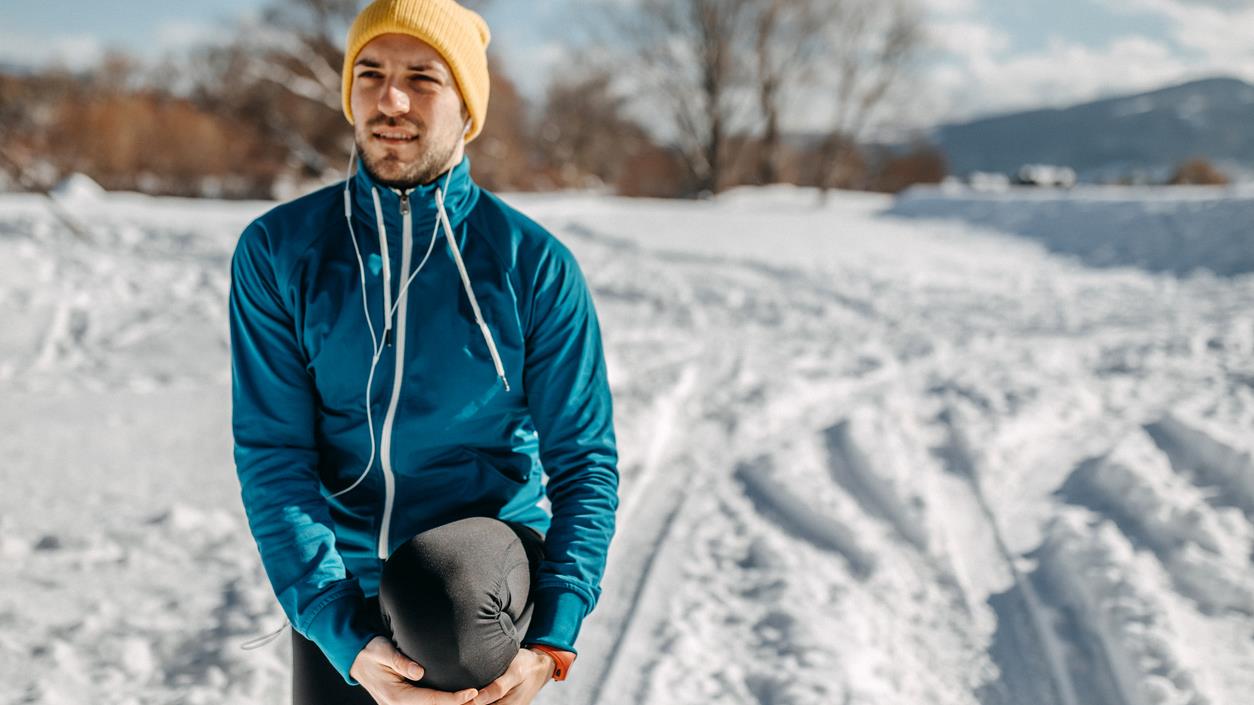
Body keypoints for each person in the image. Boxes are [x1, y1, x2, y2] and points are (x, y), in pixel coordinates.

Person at [227, 1, 619, 703]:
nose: (391, 99)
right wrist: (334, 624)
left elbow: (584, 460)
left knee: (439, 590)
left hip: (471, 584)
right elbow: (273, 452)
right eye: (370, 72)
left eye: (423, 78)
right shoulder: (281, 252)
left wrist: (551, 639)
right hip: (345, 579)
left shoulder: (530, 264)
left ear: (468, 107)